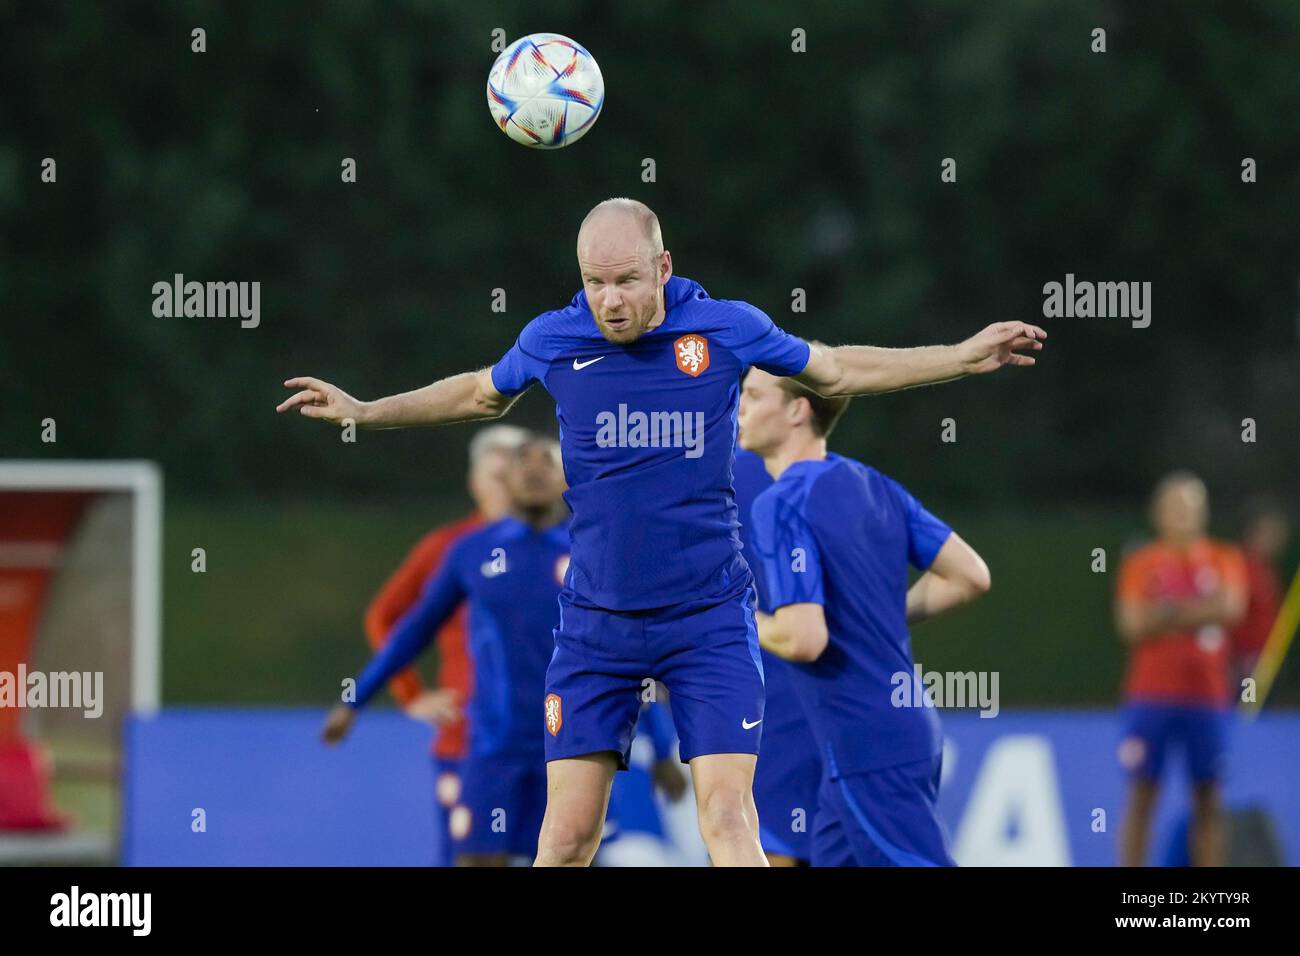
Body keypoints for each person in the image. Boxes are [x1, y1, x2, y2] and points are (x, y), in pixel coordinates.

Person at [279, 196, 1044, 866]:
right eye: (594, 282)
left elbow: (838, 369)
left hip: (707, 623)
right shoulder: (554, 338)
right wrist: (367, 410)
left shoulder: (727, 329)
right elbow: (479, 394)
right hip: (593, 631)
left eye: (626, 280)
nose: (609, 300)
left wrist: (960, 357)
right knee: (565, 839)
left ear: (664, 266)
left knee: (727, 818)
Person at [740, 369, 991, 866]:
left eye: (751, 395)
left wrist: (734, 617)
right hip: (895, 729)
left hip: (866, 742)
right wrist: (873, 618)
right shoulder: (872, 483)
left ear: (797, 411)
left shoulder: (780, 502)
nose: (739, 407)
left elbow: (802, 639)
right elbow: (971, 576)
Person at [323, 437, 569, 865]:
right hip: (492, 747)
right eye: (520, 462)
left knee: (568, 857)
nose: (533, 469)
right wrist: (356, 698)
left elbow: (629, 641)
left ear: (567, 475)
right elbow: (411, 629)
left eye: (545, 460)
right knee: (473, 858)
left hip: (572, 746)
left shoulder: (593, 549)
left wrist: (658, 742)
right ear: (504, 481)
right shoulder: (469, 551)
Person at [363, 424, 528, 865]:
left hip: (547, 736)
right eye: (496, 476)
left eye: (516, 472)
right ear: (475, 483)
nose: (507, 486)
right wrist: (410, 694)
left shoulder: (564, 543)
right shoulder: (449, 547)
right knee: (468, 855)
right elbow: (385, 616)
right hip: (466, 736)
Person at [1114, 472, 1248, 867]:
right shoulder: (1141, 562)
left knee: (1208, 797)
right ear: (1158, 513)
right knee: (1142, 794)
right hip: (1151, 695)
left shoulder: (1224, 558)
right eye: (1174, 506)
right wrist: (1199, 610)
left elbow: (1231, 609)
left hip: (1207, 696)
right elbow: (1132, 625)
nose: (1182, 515)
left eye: (1190, 506)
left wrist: (1168, 611)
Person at [733, 447, 820, 866]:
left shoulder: (708, 468)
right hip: (843, 694)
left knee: (759, 839)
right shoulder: (857, 484)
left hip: (765, 692)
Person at [1229, 497, 1290, 683]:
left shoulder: (1268, 569)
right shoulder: (1240, 566)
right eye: (1271, 533)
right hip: (1245, 659)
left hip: (1264, 658)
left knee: (1259, 705)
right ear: (1254, 533)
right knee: (1248, 704)